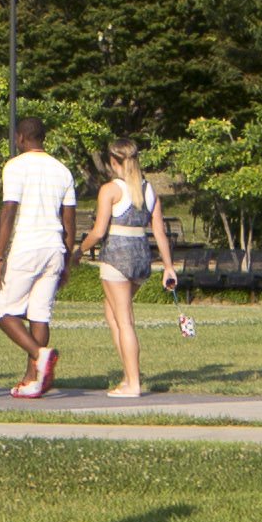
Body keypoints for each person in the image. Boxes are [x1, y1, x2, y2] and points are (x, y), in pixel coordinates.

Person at [0, 116, 79, 398]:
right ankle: (33, 380)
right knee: (39, 314)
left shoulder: (15, 166)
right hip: (54, 247)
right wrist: (66, 260)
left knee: (0, 309)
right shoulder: (62, 170)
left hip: (26, 246)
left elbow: (9, 210)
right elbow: (70, 221)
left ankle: (39, 355)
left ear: (20, 138)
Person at [76, 135, 161, 400]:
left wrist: (77, 251)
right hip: (141, 258)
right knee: (113, 315)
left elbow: (99, 231)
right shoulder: (148, 189)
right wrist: (168, 267)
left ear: (113, 161)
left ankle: (133, 383)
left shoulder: (111, 189)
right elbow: (158, 232)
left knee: (124, 321)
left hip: (116, 258)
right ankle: (128, 376)